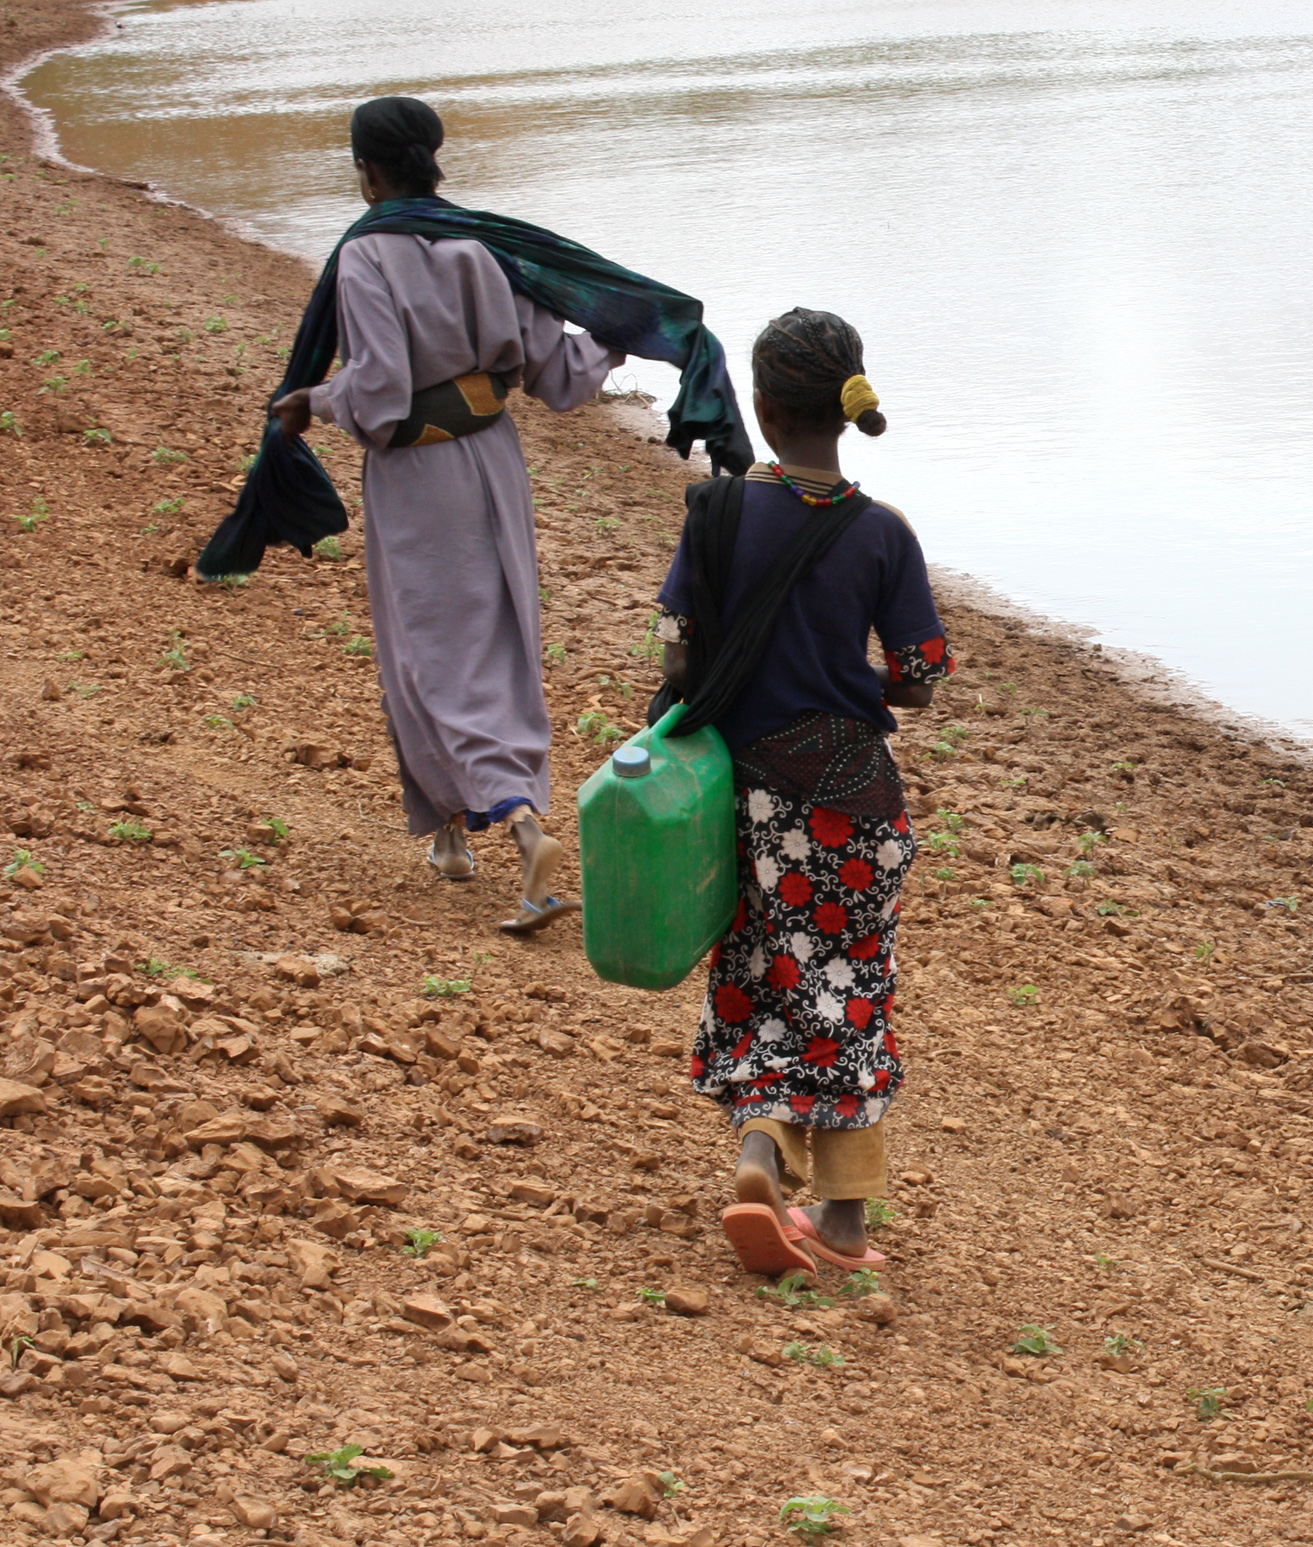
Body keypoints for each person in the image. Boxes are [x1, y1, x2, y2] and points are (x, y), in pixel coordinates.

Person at [238, 96, 751, 934]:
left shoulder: (366, 258)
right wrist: (621, 325)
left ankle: (519, 826)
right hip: (492, 462)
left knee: (428, 651)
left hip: (416, 476)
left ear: (367, 170)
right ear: (431, 160)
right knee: (498, 641)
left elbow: (379, 393)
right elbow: (563, 376)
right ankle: (448, 834)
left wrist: (312, 399)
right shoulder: (484, 247)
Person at [654, 308, 951, 1275]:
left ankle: (761, 1152)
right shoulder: (882, 534)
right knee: (851, 991)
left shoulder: (719, 513)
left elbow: (679, 654)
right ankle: (846, 1223)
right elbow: (919, 674)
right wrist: (845, 681)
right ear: (843, 407)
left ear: (766, 408)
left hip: (748, 801)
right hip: (856, 801)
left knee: (756, 979)